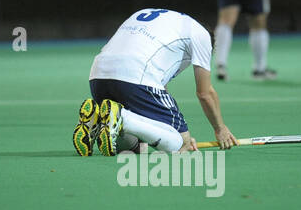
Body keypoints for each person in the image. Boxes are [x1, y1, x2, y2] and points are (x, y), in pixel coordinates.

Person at [73, 8, 238, 156]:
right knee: (180, 145)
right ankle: (121, 116)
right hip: (136, 76)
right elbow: (205, 93)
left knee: (133, 147)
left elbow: (158, 94)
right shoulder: (201, 35)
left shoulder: (160, 20)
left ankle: (98, 117)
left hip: (98, 77)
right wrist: (220, 129)